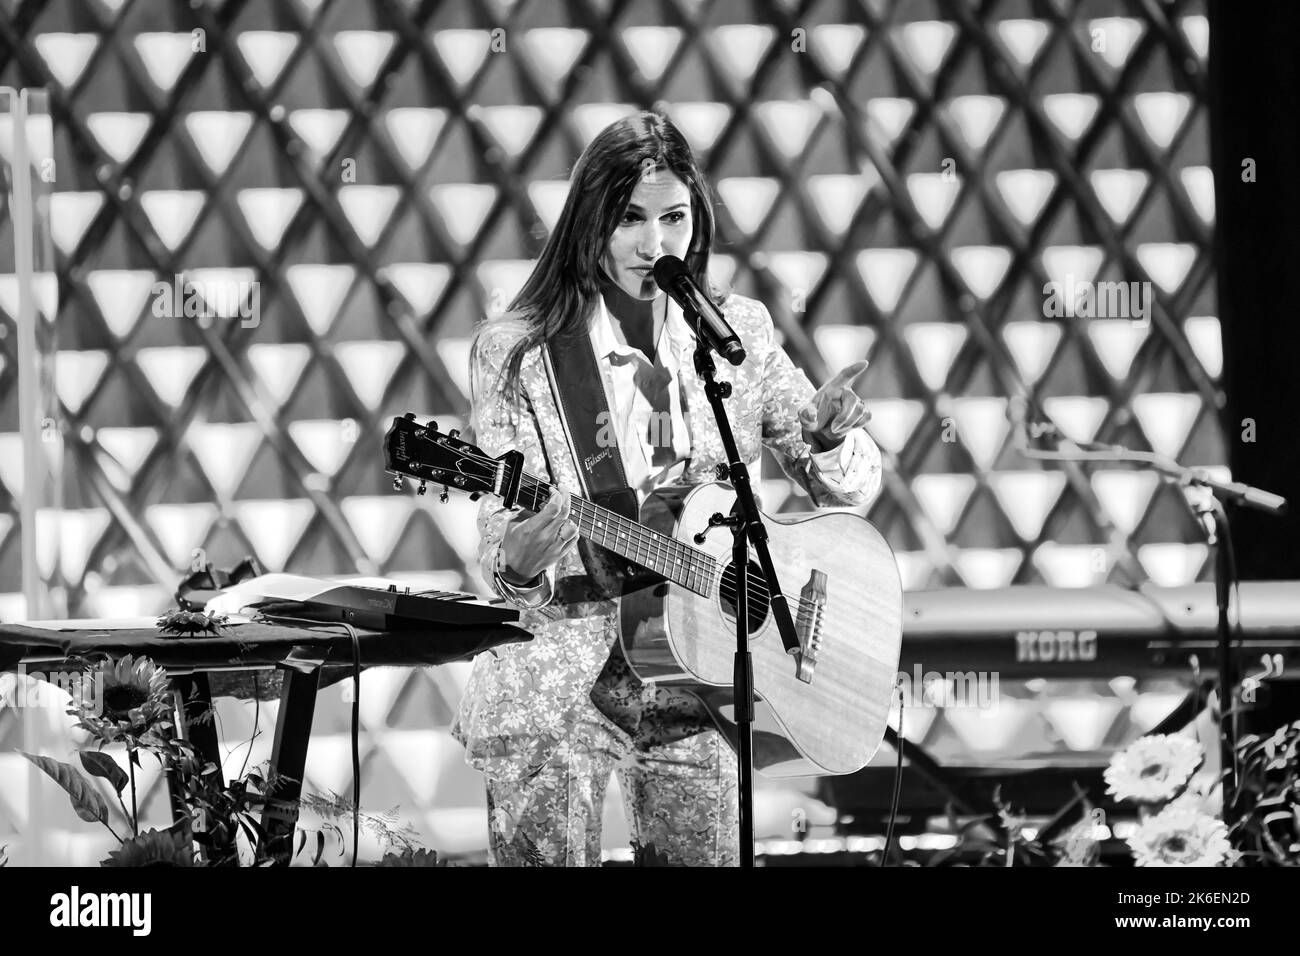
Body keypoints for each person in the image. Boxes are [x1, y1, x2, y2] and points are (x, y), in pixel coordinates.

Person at [451, 110, 883, 866]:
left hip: (705, 676)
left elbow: (850, 492)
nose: (657, 245)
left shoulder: (734, 330)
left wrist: (831, 435)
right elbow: (502, 542)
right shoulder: (517, 349)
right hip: (559, 680)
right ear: (591, 222)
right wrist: (518, 566)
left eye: (674, 218)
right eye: (630, 220)